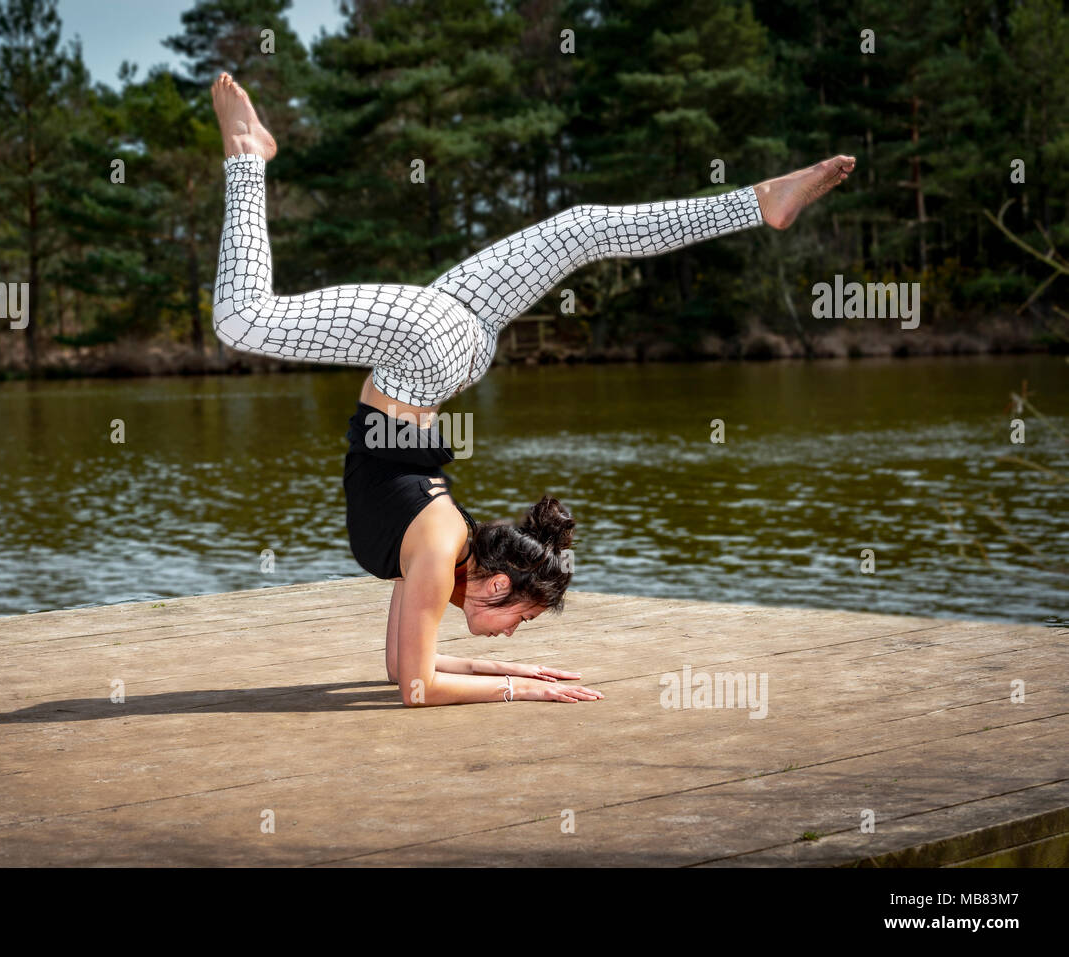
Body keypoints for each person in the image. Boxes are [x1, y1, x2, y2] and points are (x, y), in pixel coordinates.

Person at [209, 72, 854, 707]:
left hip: (448, 342)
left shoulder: (436, 554)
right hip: (424, 350)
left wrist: (506, 668)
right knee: (243, 319)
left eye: (520, 625)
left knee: (581, 230)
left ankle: (755, 203)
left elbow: (403, 672)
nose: (518, 625)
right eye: (522, 618)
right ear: (496, 584)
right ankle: (248, 157)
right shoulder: (438, 547)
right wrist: (517, 688)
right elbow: (418, 688)